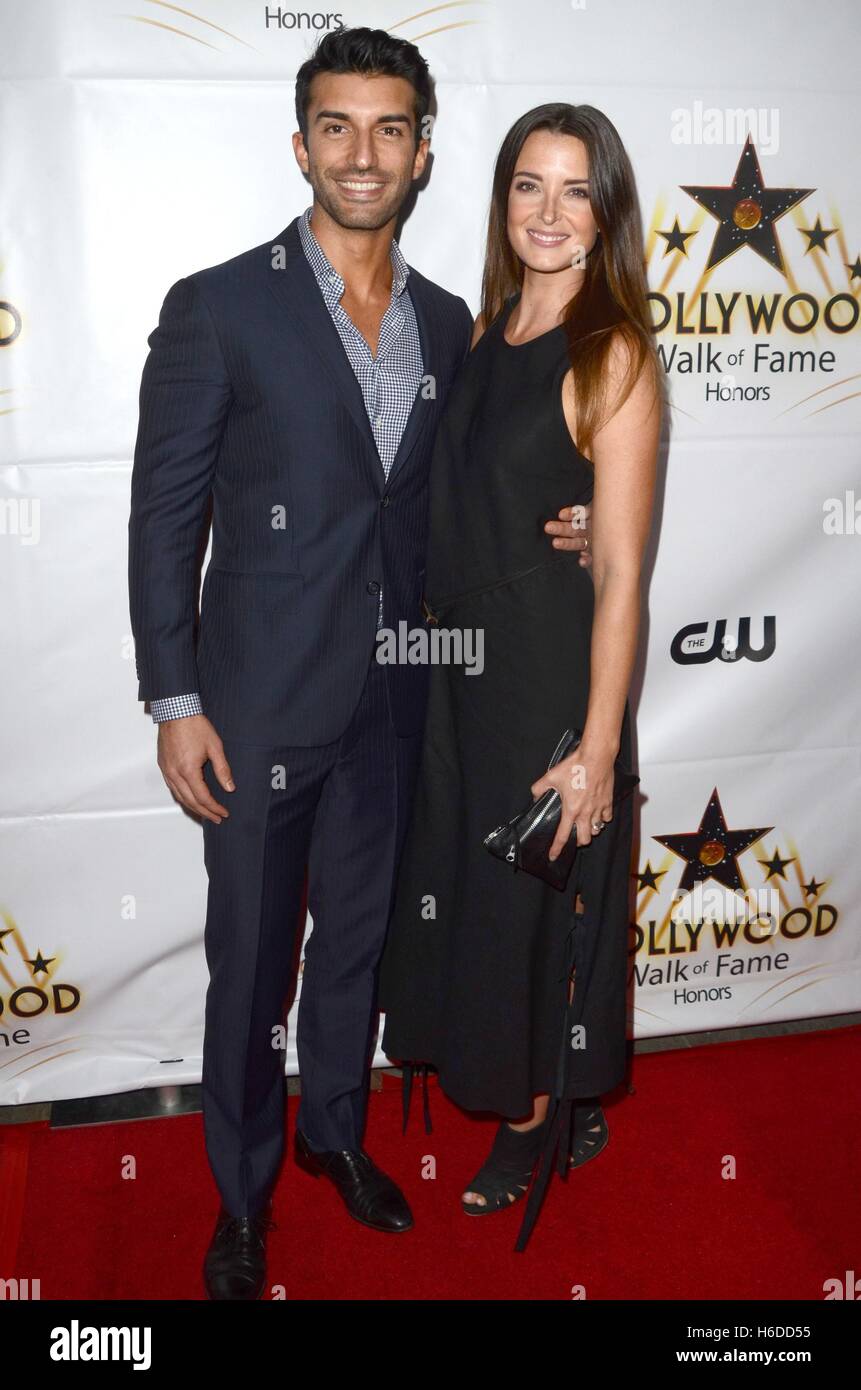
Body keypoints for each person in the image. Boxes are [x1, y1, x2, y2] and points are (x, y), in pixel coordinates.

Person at [127, 28, 590, 1299]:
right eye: (338, 126)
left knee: (353, 954)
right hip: (257, 707)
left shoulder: (454, 325)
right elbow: (164, 517)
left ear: (425, 150)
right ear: (300, 143)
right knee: (251, 967)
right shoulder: (219, 306)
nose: (363, 153)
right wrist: (175, 701)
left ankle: (334, 1133)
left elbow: (492, 481)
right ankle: (242, 1194)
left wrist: (588, 517)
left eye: (391, 128)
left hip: (398, 705)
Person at [379, 101, 661, 1250]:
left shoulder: (615, 351)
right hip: (459, 669)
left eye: (575, 190)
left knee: (521, 903)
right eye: (528, 186)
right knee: (466, 882)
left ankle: (537, 1117)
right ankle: (558, 1085)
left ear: (606, 214)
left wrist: (597, 747)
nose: (549, 212)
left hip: (546, 674)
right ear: (501, 200)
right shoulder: (488, 328)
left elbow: (626, 574)